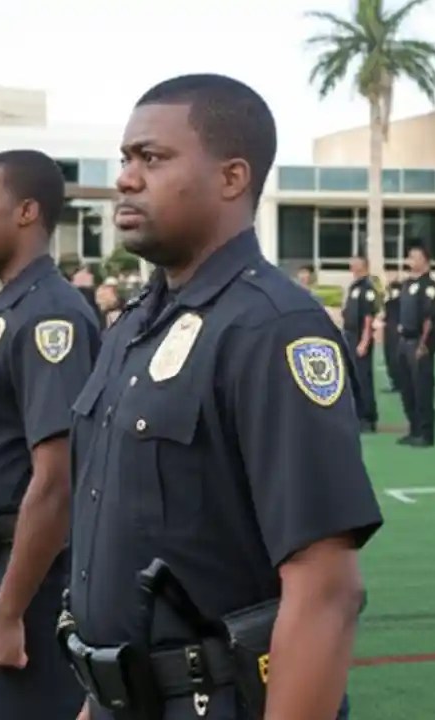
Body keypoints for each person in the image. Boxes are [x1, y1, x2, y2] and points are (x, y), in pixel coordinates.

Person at [62, 73, 379, 720]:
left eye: (152, 158)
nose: (125, 178)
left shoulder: (272, 327)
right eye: (125, 159)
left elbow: (326, 591)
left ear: (232, 179)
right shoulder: (132, 328)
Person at [0, 149, 97, 719]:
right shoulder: (8, 308)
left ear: (28, 212)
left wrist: (8, 612)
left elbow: (56, 482)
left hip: (29, 578)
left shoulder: (49, 317)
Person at [396, 245, 435, 447]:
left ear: (426, 261)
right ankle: (413, 428)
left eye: (416, 257)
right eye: (409, 257)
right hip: (403, 340)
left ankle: (425, 433)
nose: (411, 260)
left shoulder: (429, 286)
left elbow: (429, 319)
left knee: (422, 389)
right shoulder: (406, 284)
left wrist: (423, 344)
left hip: (418, 342)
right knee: (407, 388)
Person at [342, 256, 379, 432]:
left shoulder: (367, 288)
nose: (351, 268)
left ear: (362, 266)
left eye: (354, 265)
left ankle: (368, 418)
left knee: (363, 378)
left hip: (360, 337)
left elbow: (368, 318)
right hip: (350, 336)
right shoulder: (354, 287)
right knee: (353, 378)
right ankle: (356, 414)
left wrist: (364, 341)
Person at [381, 271, 403, 393]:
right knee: (389, 354)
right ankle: (394, 381)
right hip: (389, 327)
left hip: (396, 327)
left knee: (395, 355)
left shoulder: (398, 292)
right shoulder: (387, 294)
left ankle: (399, 381)